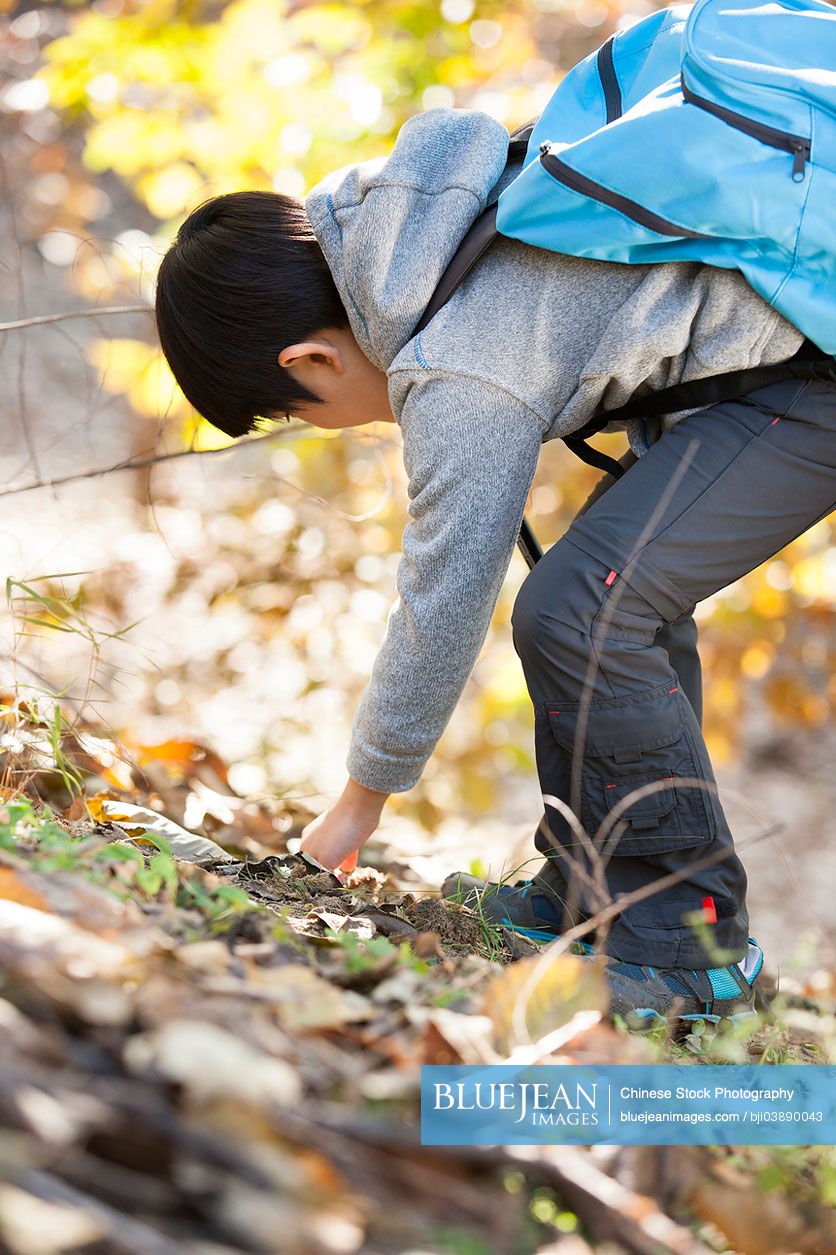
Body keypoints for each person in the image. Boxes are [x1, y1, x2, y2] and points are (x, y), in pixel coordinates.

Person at [155, 106, 835, 1027]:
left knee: (585, 607)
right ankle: (595, 894)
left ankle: (694, 954)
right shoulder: (415, 221)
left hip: (815, 376)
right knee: (603, 593)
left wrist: (357, 808)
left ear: (310, 358)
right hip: (786, 357)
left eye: (290, 411)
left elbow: (442, 599)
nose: (317, 424)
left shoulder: (456, 356)